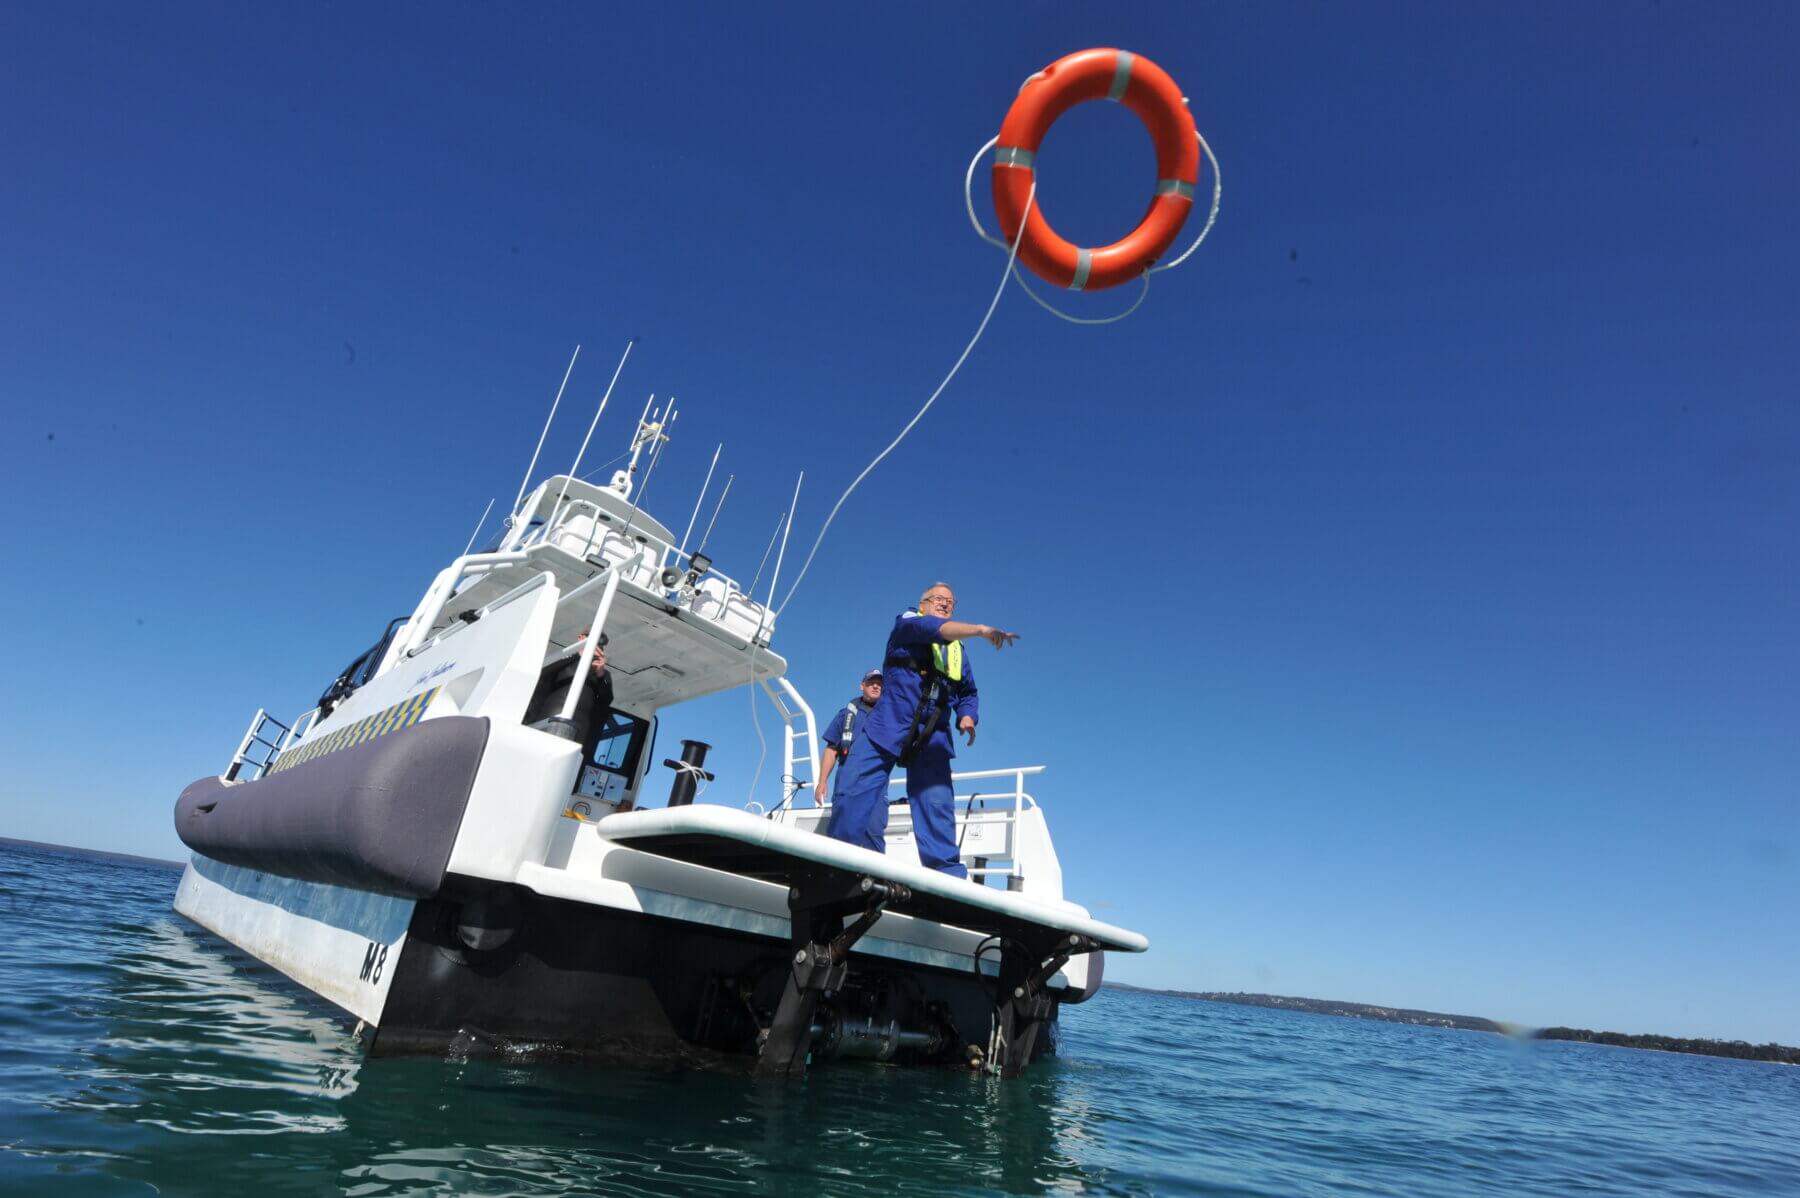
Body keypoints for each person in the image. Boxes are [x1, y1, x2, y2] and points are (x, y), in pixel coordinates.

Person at [823, 583, 1018, 878]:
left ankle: (946, 877)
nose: (945, 604)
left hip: (933, 736)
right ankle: (835, 865)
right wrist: (979, 629)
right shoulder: (907, 624)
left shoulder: (957, 653)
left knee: (937, 804)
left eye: (950, 602)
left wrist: (967, 716)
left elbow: (968, 691)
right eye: (938, 599)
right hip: (888, 725)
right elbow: (933, 628)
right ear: (923, 603)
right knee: (853, 793)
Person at [523, 629, 613, 768]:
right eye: (593, 642)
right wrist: (577, 655)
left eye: (600, 646)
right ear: (580, 638)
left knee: (564, 764)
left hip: (580, 725)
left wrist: (601, 675)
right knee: (538, 756)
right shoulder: (564, 658)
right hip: (552, 714)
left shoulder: (603, 674)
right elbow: (542, 673)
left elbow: (607, 699)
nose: (597, 648)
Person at [815, 669, 884, 805]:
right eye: (871, 683)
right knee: (844, 823)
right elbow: (832, 749)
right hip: (847, 778)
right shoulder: (845, 715)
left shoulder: (890, 716)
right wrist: (822, 781)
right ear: (862, 686)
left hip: (877, 779)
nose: (876, 686)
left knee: (874, 824)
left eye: (879, 684)